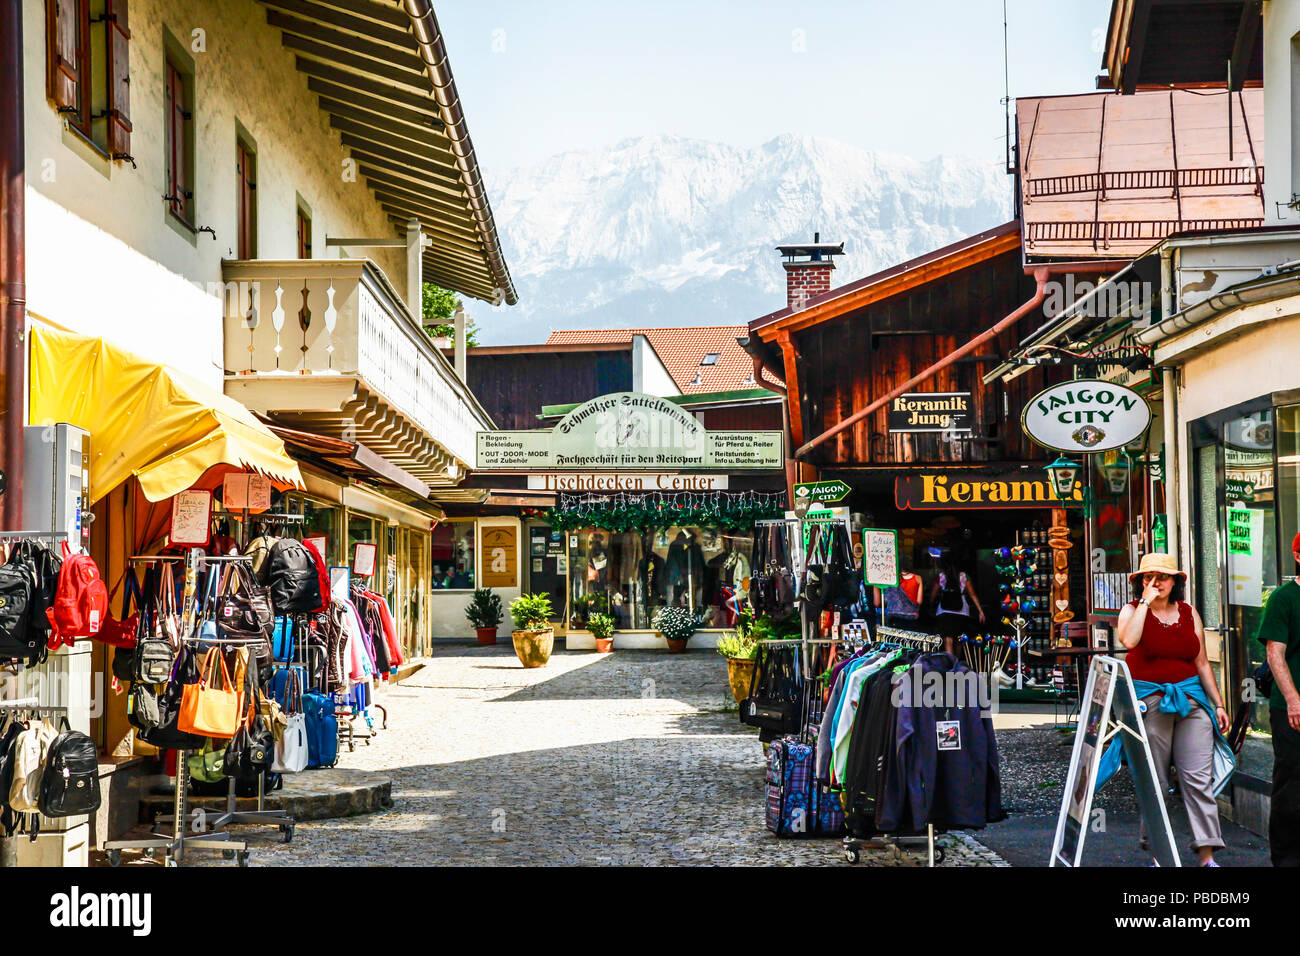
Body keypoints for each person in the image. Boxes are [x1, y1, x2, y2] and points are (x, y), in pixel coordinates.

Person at [1115, 552, 1229, 866]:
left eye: (1162, 577)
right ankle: (1159, 854)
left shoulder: (1189, 613)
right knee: (1156, 780)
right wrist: (1144, 603)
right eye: (1148, 578)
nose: (1155, 583)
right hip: (1151, 702)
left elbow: (1202, 662)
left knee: (1197, 779)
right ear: (1139, 583)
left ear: (1175, 581)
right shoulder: (1131, 611)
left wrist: (1218, 704)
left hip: (1191, 700)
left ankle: (1207, 856)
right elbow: (1129, 641)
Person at [1258, 531, 1300, 866]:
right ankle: (1286, 859)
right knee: (1292, 782)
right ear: (1298, 557)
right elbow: (1275, 654)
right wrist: (1293, 699)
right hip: (1291, 707)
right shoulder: (1284, 598)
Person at [928, 554, 985, 655]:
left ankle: (951, 664)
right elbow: (972, 595)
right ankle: (957, 663)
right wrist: (980, 611)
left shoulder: (941, 576)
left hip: (944, 611)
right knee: (959, 639)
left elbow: (933, 594)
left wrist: (930, 605)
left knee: (948, 639)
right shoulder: (964, 576)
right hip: (962, 612)